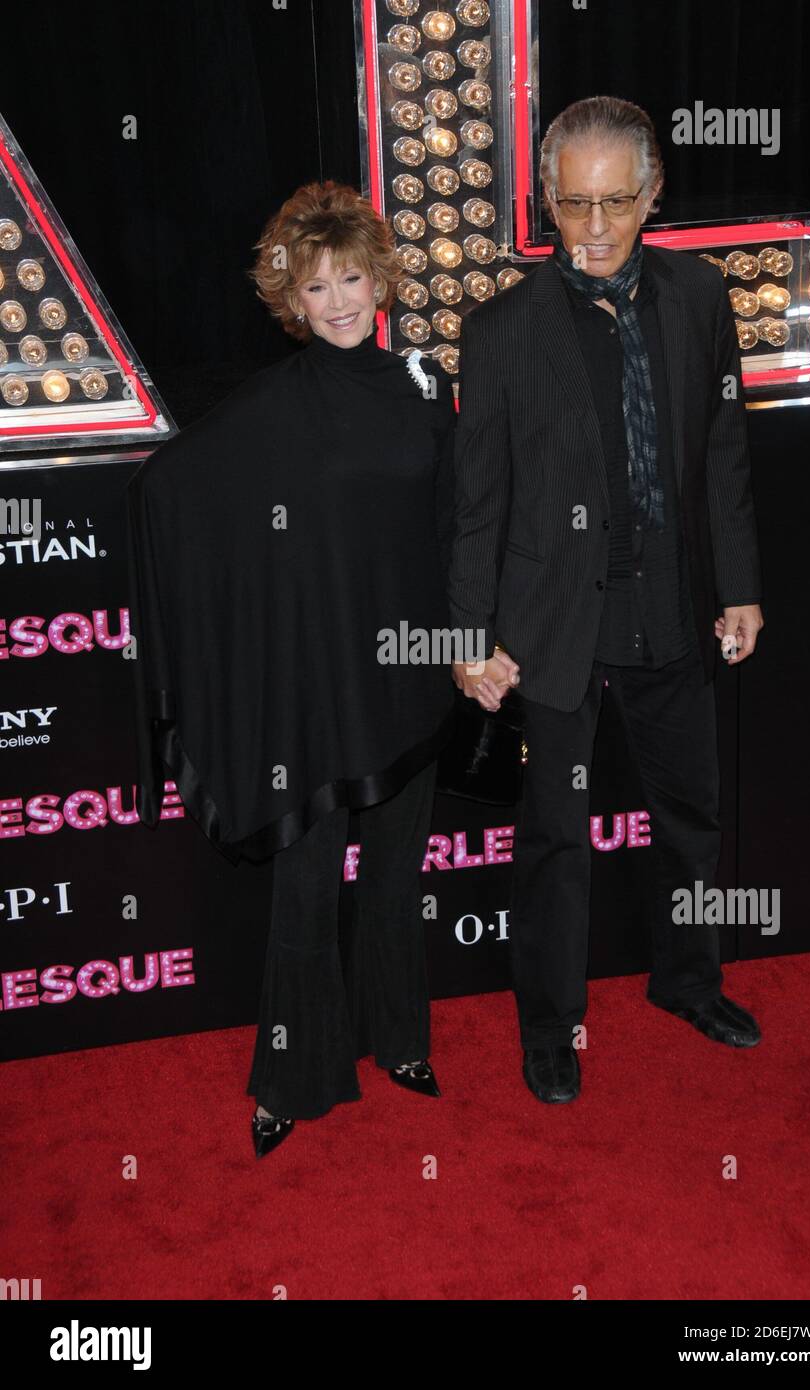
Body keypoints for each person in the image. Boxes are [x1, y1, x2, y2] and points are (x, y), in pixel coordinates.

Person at [126, 181, 457, 1156]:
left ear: (379, 279)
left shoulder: (424, 387)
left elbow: (454, 528)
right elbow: (170, 491)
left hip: (411, 673)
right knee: (305, 885)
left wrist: (471, 643)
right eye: (318, 288)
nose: (342, 300)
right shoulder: (269, 409)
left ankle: (397, 1040)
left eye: (353, 277)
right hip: (316, 692)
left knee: (397, 872)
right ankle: (290, 1074)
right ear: (291, 299)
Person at [448, 95, 765, 1105]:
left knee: (688, 817)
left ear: (652, 194)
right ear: (544, 195)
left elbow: (721, 454)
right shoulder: (498, 331)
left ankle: (685, 980)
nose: (591, 229)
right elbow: (477, 501)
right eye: (572, 203)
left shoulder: (700, 298)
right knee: (552, 837)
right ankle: (549, 1024)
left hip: (671, 607)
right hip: (553, 627)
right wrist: (467, 633)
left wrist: (740, 585)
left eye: (615, 203)